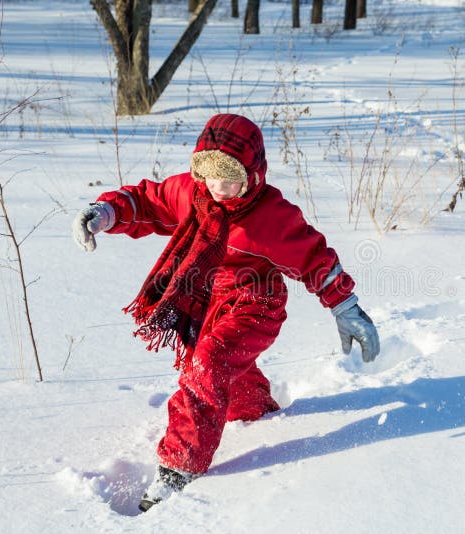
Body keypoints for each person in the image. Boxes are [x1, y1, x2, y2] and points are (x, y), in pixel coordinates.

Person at [71, 113, 380, 512]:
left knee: (208, 362)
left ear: (252, 176)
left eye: (229, 178)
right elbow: (148, 200)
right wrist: (106, 213)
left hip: (258, 305)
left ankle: (178, 466)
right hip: (212, 301)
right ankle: (257, 413)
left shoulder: (270, 216)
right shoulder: (194, 194)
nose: (217, 189)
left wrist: (345, 307)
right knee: (229, 380)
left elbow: (313, 258)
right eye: (209, 176)